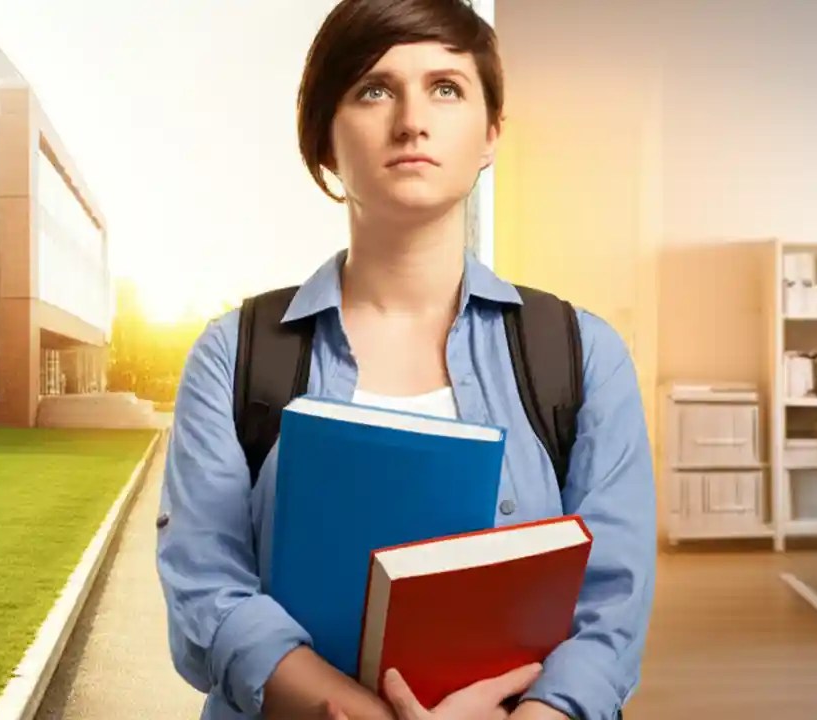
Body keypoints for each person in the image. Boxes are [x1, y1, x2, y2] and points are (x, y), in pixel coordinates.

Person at [155, 1, 656, 718]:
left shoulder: (582, 354)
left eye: (446, 88)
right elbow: (206, 589)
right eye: (374, 88)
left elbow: (612, 607)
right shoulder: (233, 354)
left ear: (490, 134)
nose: (412, 120)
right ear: (325, 138)